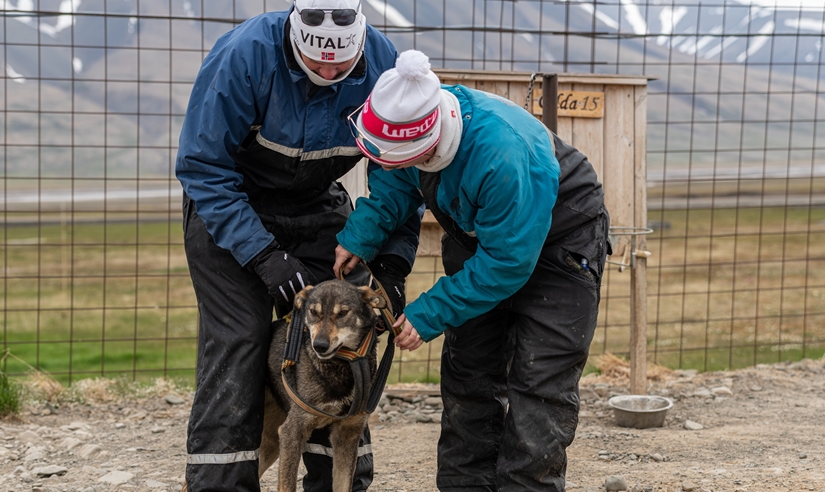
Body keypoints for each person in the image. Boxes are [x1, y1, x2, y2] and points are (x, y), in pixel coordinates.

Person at [333, 50, 610, 491]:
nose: (392, 160)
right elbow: (391, 180)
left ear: (427, 143)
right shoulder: (403, 127)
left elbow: (506, 263)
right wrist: (358, 238)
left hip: (559, 243)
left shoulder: (502, 154)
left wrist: (429, 313)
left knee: (539, 384)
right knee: (469, 375)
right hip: (480, 234)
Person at [174, 2, 420, 490]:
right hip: (231, 200)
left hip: (315, 200)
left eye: (341, 66)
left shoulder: (383, 61)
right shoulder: (243, 55)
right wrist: (263, 256)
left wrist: (390, 260)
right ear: (293, 38)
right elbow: (203, 167)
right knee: (241, 338)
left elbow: (397, 168)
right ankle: (219, 484)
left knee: (357, 315)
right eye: (316, 64)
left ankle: (338, 480)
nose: (329, 72)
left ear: (360, 43)